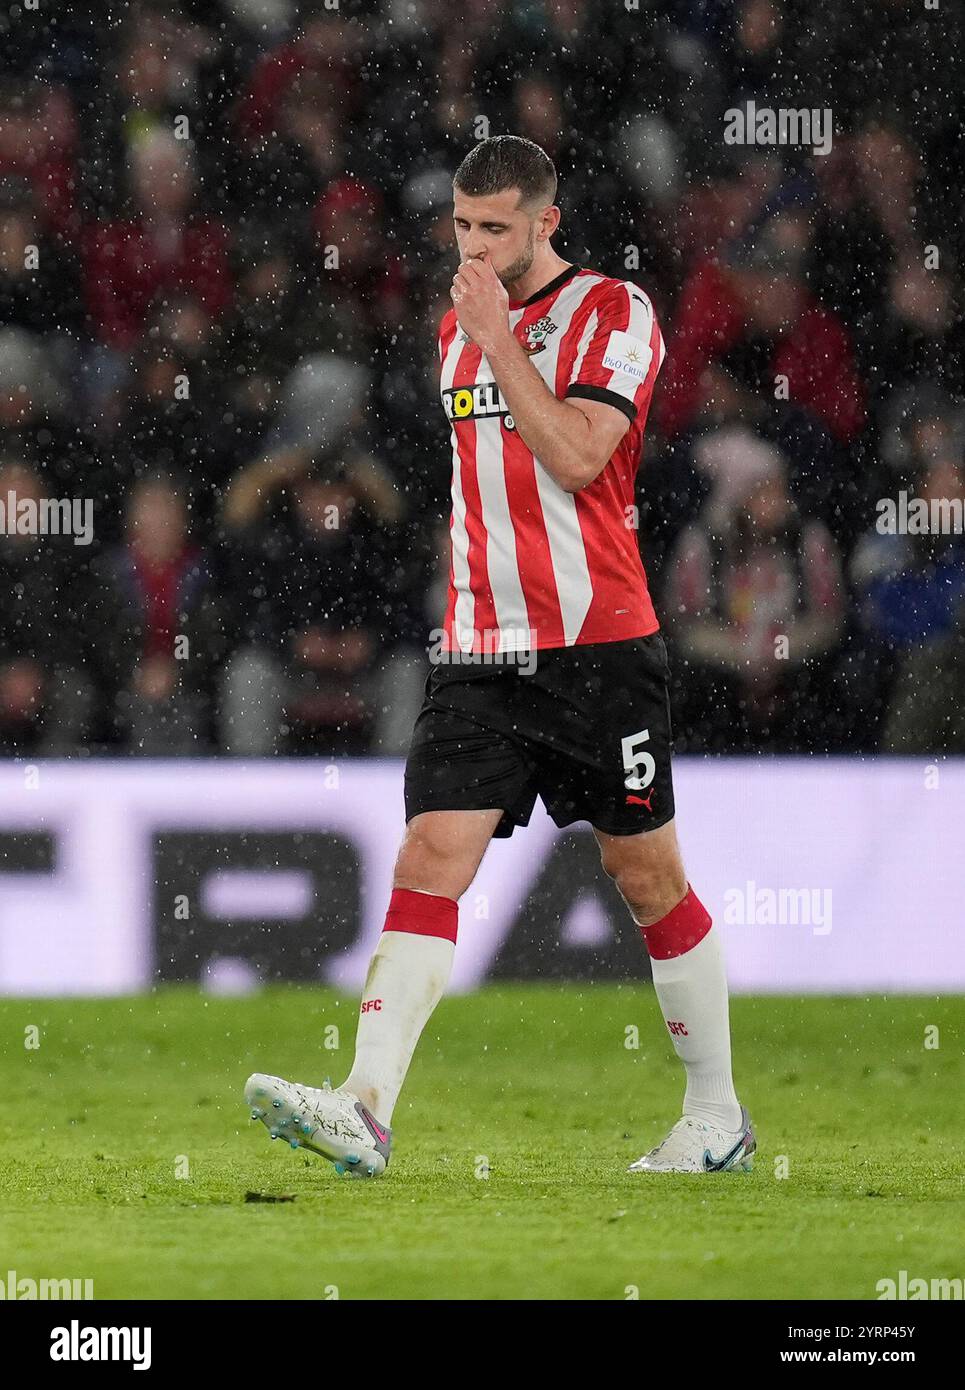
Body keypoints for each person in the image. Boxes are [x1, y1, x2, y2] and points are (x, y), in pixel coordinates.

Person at [245, 135, 756, 1178]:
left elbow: (575, 455)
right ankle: (364, 1107)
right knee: (429, 855)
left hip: (598, 648)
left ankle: (716, 1114)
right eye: (461, 229)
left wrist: (500, 340)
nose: (472, 247)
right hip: (479, 649)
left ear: (544, 223)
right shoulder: (453, 327)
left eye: (493, 228)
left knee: (645, 873)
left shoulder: (615, 314)